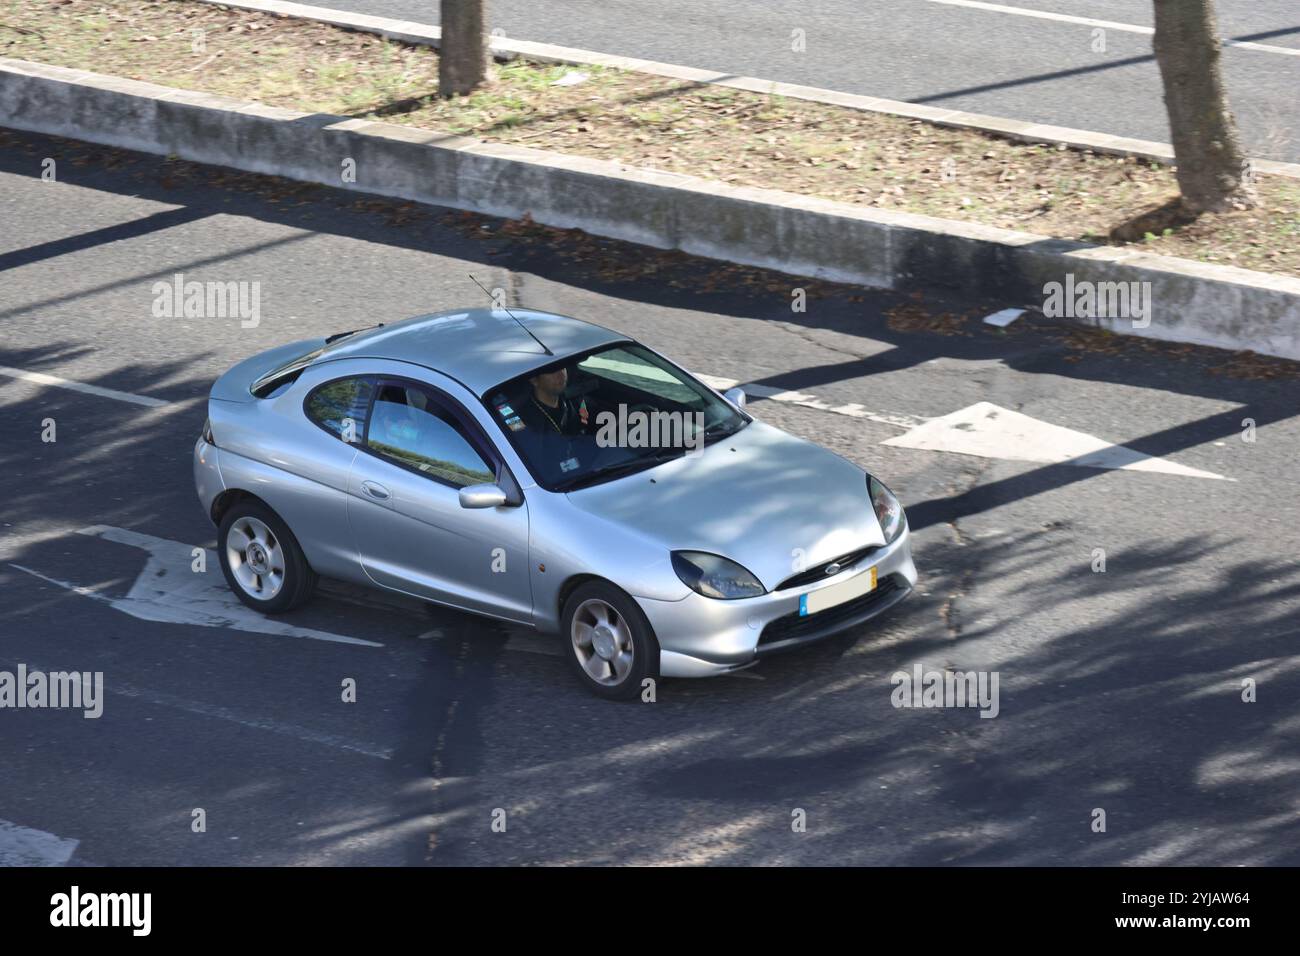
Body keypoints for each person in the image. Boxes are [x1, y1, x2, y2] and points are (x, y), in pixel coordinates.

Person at [516, 367, 587, 436]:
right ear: (534, 380)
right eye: (551, 371)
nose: (561, 374)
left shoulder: (576, 402)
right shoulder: (524, 420)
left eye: (562, 367)